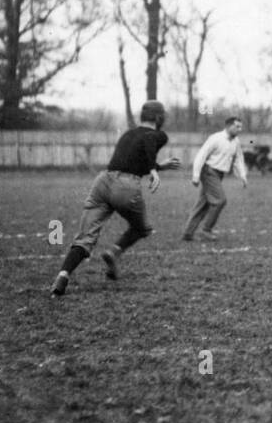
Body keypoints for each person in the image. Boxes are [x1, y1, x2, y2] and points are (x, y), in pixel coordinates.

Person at [49, 100, 181, 296]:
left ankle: (63, 275)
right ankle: (114, 252)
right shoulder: (158, 135)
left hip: (102, 182)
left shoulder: (128, 134)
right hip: (126, 186)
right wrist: (154, 169)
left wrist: (158, 166)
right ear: (159, 118)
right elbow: (149, 142)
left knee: (85, 238)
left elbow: (131, 161)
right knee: (141, 228)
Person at [183, 116, 248, 241]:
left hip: (219, 175)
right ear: (229, 126)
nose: (240, 129)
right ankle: (206, 230)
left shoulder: (236, 141)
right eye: (237, 126)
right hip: (209, 172)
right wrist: (195, 176)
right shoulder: (215, 138)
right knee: (220, 200)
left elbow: (239, 159)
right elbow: (201, 156)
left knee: (203, 204)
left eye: (241, 127)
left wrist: (243, 176)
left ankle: (188, 233)